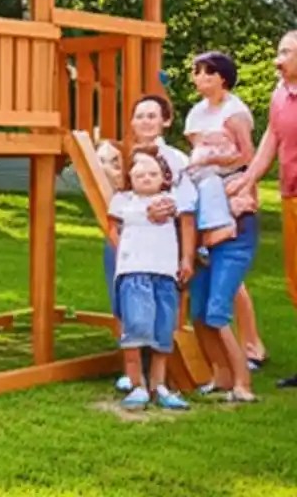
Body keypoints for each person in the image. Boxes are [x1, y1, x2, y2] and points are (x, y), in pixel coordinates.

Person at [102, 94, 198, 392]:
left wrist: (187, 256)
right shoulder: (121, 156)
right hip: (127, 243)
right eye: (140, 115)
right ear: (131, 121)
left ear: (165, 121)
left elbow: (186, 214)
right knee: (126, 304)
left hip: (161, 249)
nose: (145, 121)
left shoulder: (176, 160)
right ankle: (132, 372)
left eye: (152, 115)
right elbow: (114, 208)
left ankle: (157, 376)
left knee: (160, 308)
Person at [183, 51, 261, 401]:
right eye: (197, 72)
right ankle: (221, 376)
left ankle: (243, 382)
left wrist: (217, 161)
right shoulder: (196, 114)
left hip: (233, 211)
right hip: (203, 202)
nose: (197, 78)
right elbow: (196, 158)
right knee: (198, 312)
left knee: (216, 311)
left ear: (221, 78)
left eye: (204, 72)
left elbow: (249, 155)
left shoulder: (235, 112)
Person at [228, 30, 297, 387]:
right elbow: (272, 138)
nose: (277, 59)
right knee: (296, 283)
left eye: (285, 52)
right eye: (278, 51)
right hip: (290, 196)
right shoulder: (280, 95)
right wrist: (248, 178)